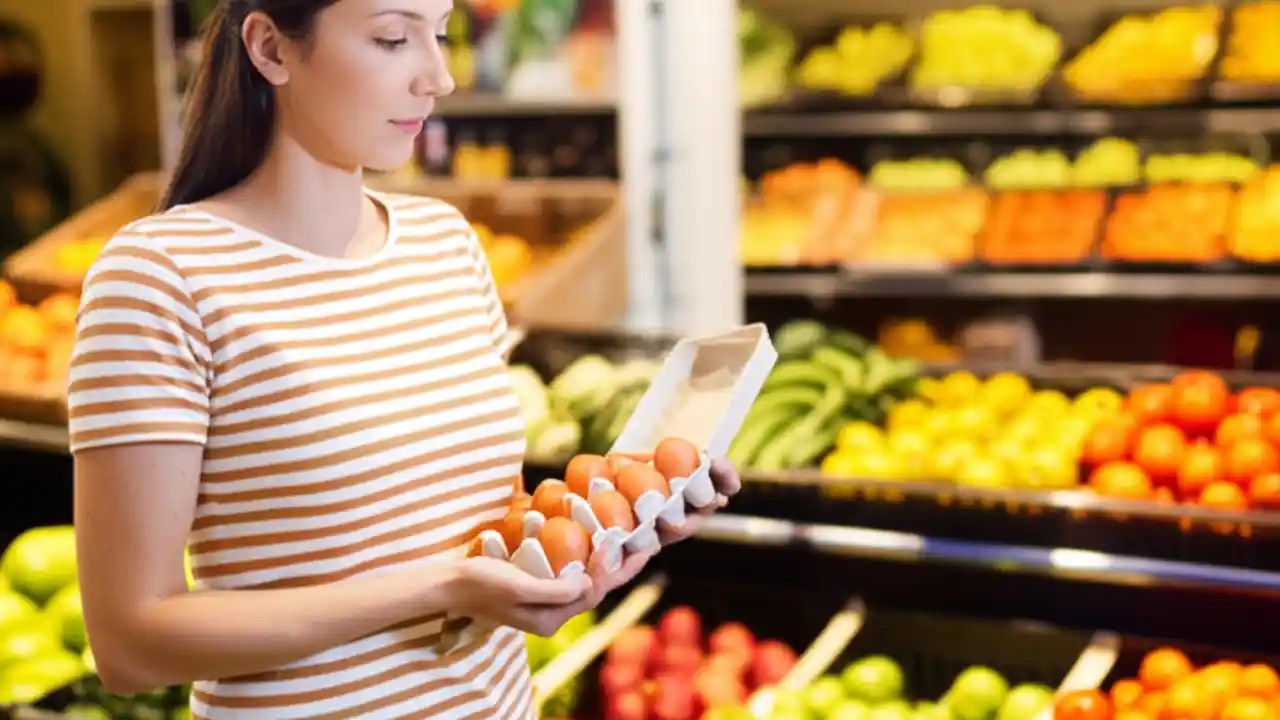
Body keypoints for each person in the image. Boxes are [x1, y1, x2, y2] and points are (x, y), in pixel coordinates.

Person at [67, 0, 741, 717]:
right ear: (270, 48)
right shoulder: (160, 277)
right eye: (393, 38)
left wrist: (599, 533)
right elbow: (130, 644)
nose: (440, 76)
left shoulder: (445, 244)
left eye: (441, 34)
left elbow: (483, 526)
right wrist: (442, 586)